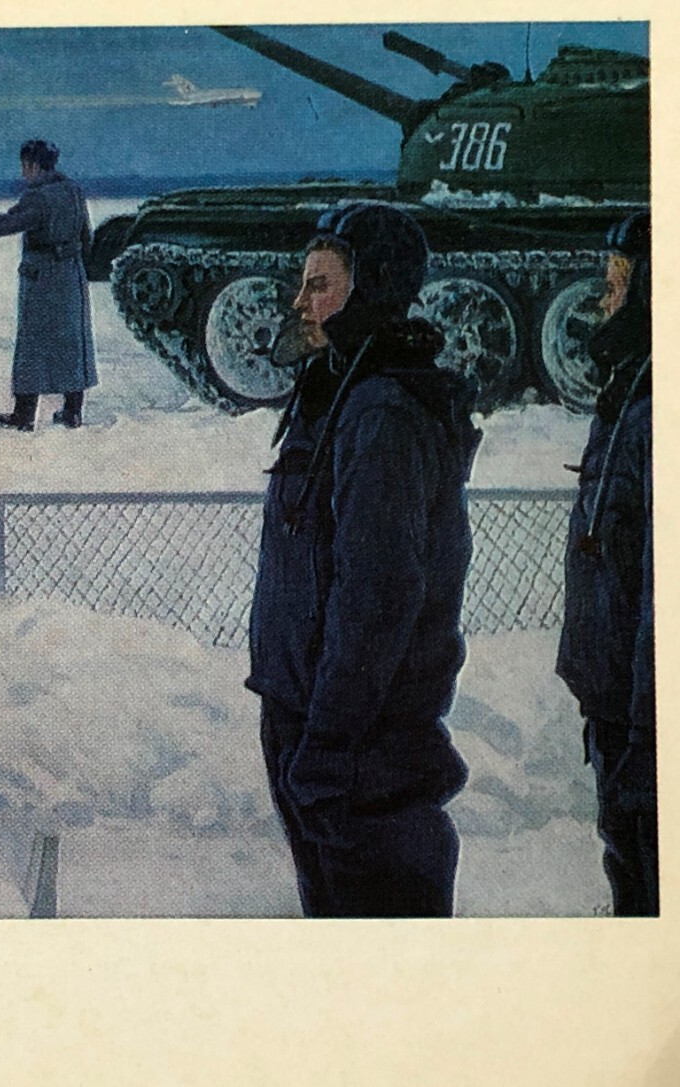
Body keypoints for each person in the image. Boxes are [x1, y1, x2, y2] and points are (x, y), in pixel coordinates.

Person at [247, 202, 480, 918]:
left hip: (360, 746)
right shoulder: (342, 392)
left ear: (371, 285)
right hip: (320, 725)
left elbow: (377, 596)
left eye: (320, 283)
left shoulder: (381, 412)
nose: (300, 302)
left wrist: (329, 743)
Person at [557, 210, 654, 916]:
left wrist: (651, 733)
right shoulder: (627, 395)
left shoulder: (655, 409)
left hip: (645, 723)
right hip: (617, 706)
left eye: (618, 287)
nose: (604, 304)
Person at [0, 139, 94, 430]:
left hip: (42, 278)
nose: (22, 173)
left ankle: (24, 415)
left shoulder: (38, 197)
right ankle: (73, 411)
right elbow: (86, 237)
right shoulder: (74, 192)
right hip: (70, 276)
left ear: (33, 165)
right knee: (70, 344)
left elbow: (7, 223)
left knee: (33, 345)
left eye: (24, 166)